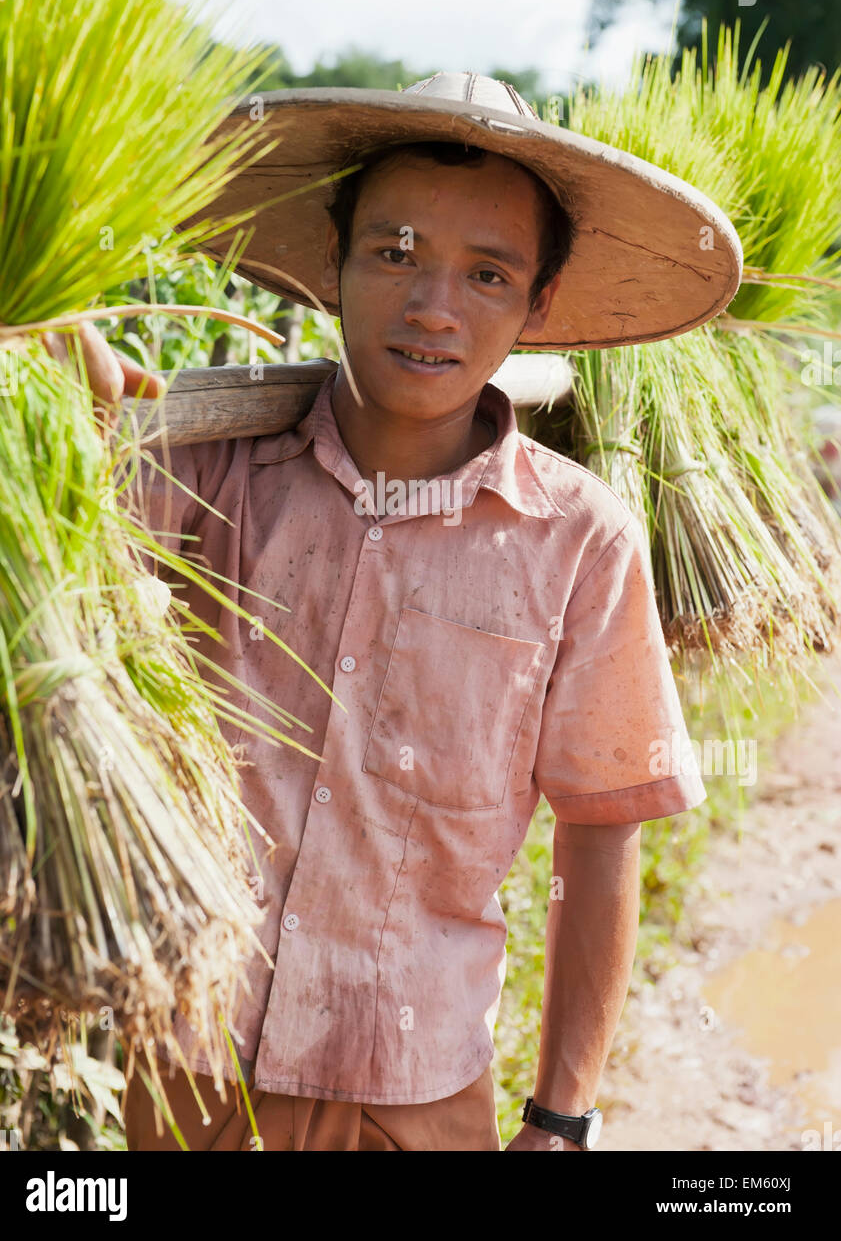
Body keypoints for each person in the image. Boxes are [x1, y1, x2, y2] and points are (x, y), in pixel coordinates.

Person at [48, 72, 741, 1152]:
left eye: (487, 274)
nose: (433, 307)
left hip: (410, 1095)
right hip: (182, 1073)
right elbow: (53, 538)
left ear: (537, 306)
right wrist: (57, 354)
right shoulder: (202, 473)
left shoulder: (577, 541)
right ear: (332, 264)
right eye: (395, 253)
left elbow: (599, 837)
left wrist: (560, 1119)